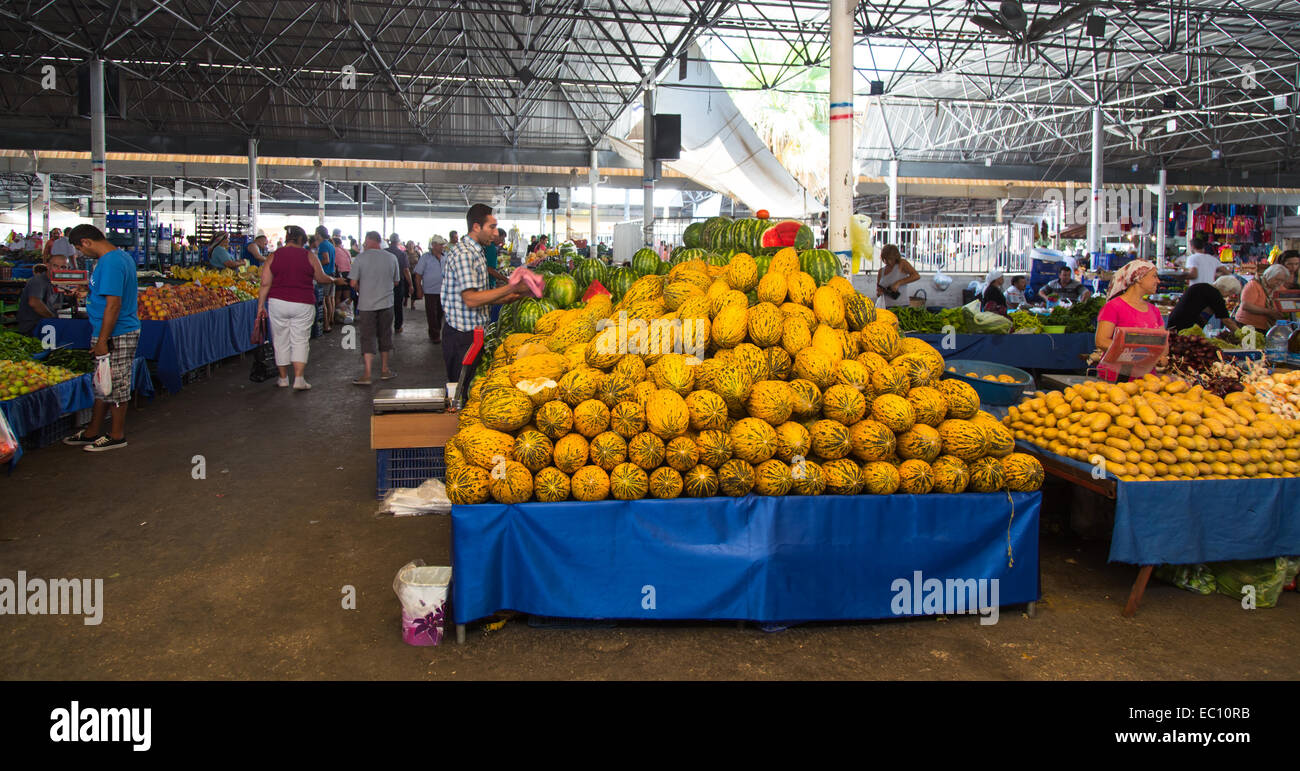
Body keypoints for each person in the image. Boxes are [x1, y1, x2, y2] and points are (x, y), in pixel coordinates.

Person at [60, 224, 141, 452]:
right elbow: (109, 297)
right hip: (109, 332)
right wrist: (90, 294)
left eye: (79, 248)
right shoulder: (117, 258)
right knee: (103, 384)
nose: (80, 253)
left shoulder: (111, 263)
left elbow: (114, 305)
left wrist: (103, 340)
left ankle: (116, 435)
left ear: (86, 242)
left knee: (116, 385)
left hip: (116, 333)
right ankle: (92, 431)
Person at [441, 204, 530, 389]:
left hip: (475, 334)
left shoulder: (477, 251)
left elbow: (481, 295)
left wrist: (511, 297)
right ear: (476, 227)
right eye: (491, 227)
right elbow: (471, 299)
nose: (496, 232)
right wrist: (510, 287)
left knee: (471, 388)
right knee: (461, 393)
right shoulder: (465, 254)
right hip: (462, 337)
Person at [257, 225, 346, 390]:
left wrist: (260, 306)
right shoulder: (309, 256)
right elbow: (320, 277)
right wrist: (334, 280)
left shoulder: (273, 256)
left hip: (277, 302)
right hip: (303, 303)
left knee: (280, 340)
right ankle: (299, 379)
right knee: (300, 340)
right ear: (301, 239)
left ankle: (283, 379)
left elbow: (264, 283)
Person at [1095, 260, 1165, 383]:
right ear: (1139, 278)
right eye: (1154, 276)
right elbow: (1101, 341)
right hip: (1115, 380)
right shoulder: (1113, 307)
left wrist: (1161, 356)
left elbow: (1163, 345)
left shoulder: (1155, 311)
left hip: (1147, 381)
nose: (1158, 281)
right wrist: (1134, 354)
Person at [349, 231, 400, 385]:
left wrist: (361, 289)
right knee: (385, 335)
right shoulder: (392, 258)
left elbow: (352, 283)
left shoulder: (360, 258)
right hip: (386, 303)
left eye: (365, 240)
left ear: (370, 240)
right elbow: (396, 281)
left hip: (366, 304)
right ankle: (385, 370)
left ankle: (368, 373)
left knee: (367, 337)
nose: (364, 243)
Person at [1165, 275, 1242, 333]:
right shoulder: (1215, 295)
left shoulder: (1201, 286)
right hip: (1186, 328)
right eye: (1231, 292)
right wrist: (1240, 334)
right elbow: (1226, 320)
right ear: (1226, 288)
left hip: (1173, 322)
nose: (1229, 296)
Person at [1235, 264, 1292, 334]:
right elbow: (1246, 306)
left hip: (1268, 327)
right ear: (1267, 275)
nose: (1279, 283)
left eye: (1282, 281)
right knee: (1250, 345)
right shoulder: (1253, 285)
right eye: (1277, 279)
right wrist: (1269, 312)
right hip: (1248, 325)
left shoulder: (1280, 288)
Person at [415, 235, 446, 343]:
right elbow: (418, 274)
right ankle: (434, 335)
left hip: (443, 291)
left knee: (440, 314)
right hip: (430, 291)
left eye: (442, 244)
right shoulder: (425, 257)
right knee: (432, 313)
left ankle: (436, 331)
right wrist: (419, 289)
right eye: (440, 244)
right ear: (433, 245)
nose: (442, 246)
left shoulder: (445, 257)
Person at [16, 263, 61, 336]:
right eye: (55, 265)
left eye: (63, 267)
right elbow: (34, 302)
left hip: (41, 325)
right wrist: (52, 318)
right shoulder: (37, 281)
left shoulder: (50, 282)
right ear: (48, 266)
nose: (60, 269)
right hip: (33, 326)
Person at [385, 234, 413, 333]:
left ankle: (384, 326)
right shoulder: (402, 254)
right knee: (398, 305)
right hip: (398, 282)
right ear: (398, 242)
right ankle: (398, 326)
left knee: (384, 305)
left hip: (384, 283)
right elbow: (406, 270)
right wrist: (410, 284)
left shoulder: (384, 252)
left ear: (390, 241)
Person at [314, 226, 337, 333]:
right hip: (332, 274)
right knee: (329, 299)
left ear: (319, 234)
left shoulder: (323, 245)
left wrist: (316, 265)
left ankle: (326, 325)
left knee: (322, 301)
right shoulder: (331, 245)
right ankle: (330, 321)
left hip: (325, 274)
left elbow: (326, 260)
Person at [333, 236, 353, 313]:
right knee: (346, 296)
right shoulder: (346, 251)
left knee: (337, 296)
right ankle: (348, 313)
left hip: (340, 274)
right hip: (349, 273)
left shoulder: (334, 250)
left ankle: (339, 314)